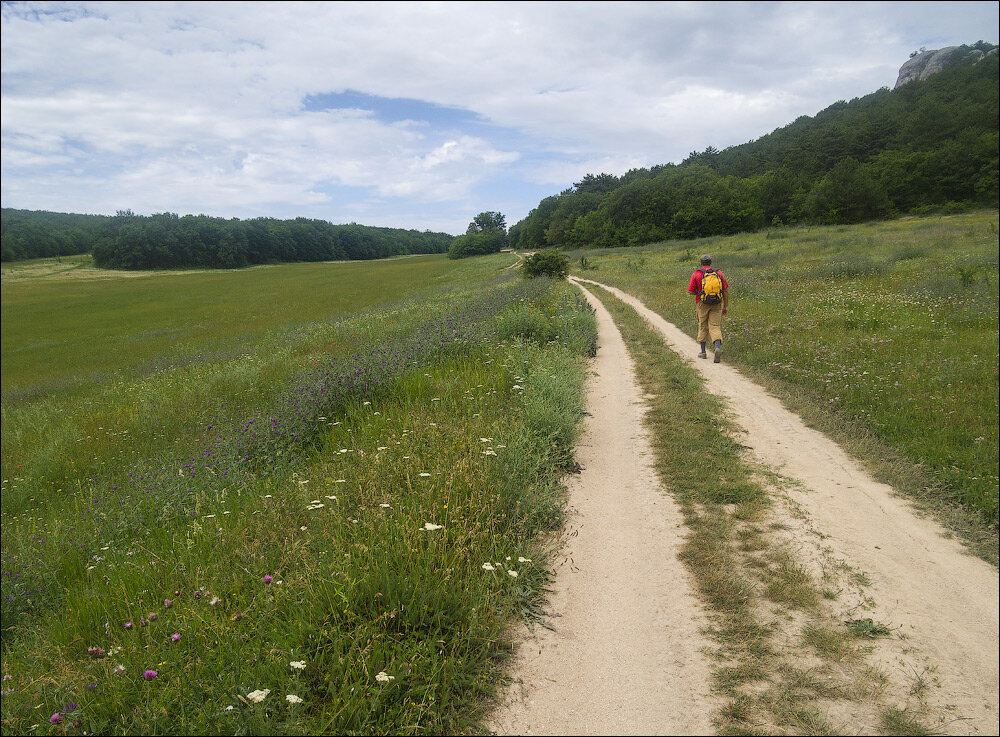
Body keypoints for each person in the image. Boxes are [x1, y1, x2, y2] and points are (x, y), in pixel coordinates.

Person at [687, 254, 729, 363]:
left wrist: (699, 293)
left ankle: (703, 352)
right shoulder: (718, 273)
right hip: (717, 303)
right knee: (715, 326)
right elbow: (725, 290)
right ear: (711, 262)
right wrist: (725, 306)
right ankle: (717, 348)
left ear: (701, 263)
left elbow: (690, 291)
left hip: (702, 303)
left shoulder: (697, 274)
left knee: (702, 326)